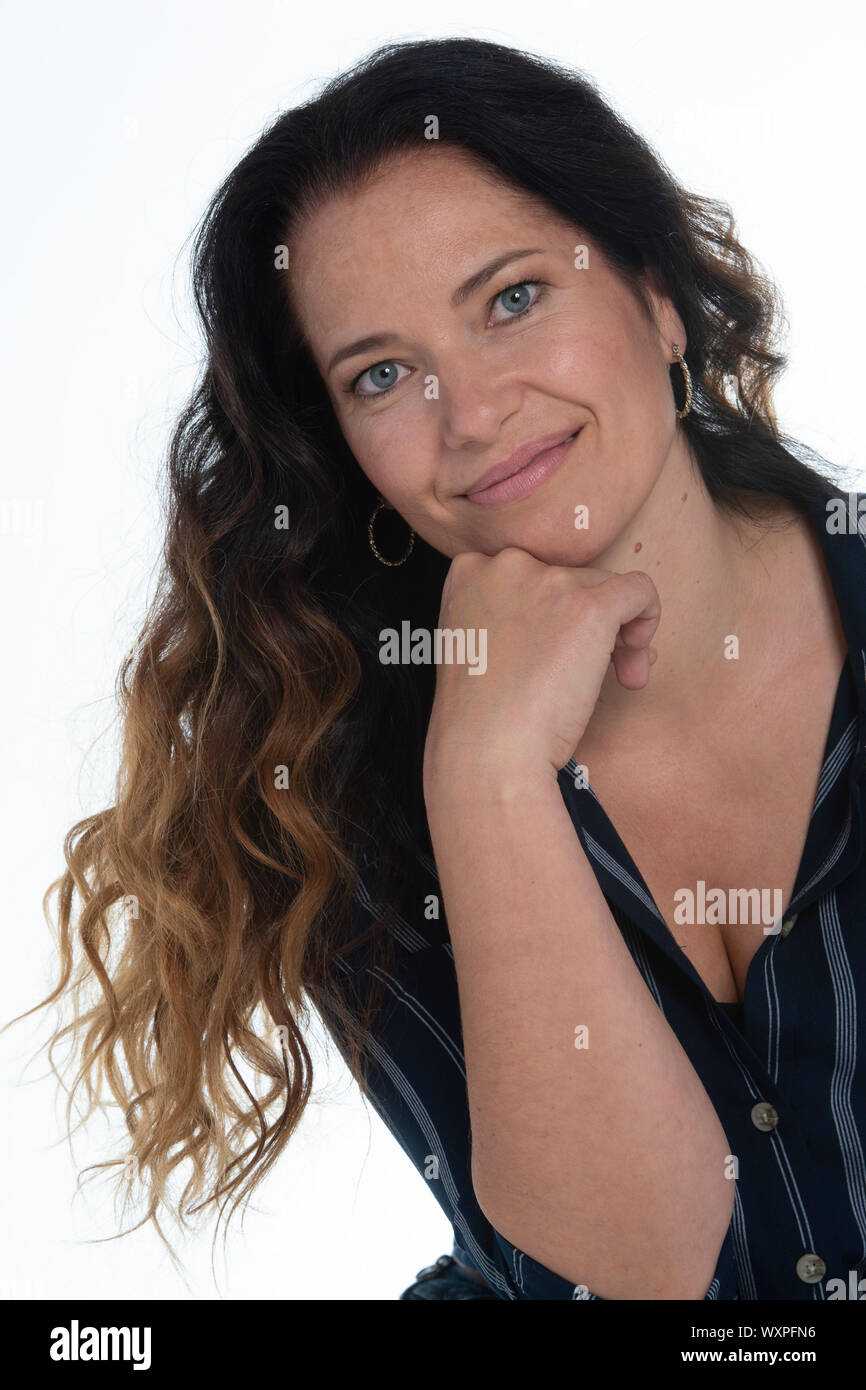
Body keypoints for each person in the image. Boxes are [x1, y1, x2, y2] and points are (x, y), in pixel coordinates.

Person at [11, 36, 866, 1300]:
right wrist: (486, 770)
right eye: (382, 374)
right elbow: (635, 1271)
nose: (467, 414)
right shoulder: (323, 770)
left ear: (655, 292)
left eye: (513, 297)